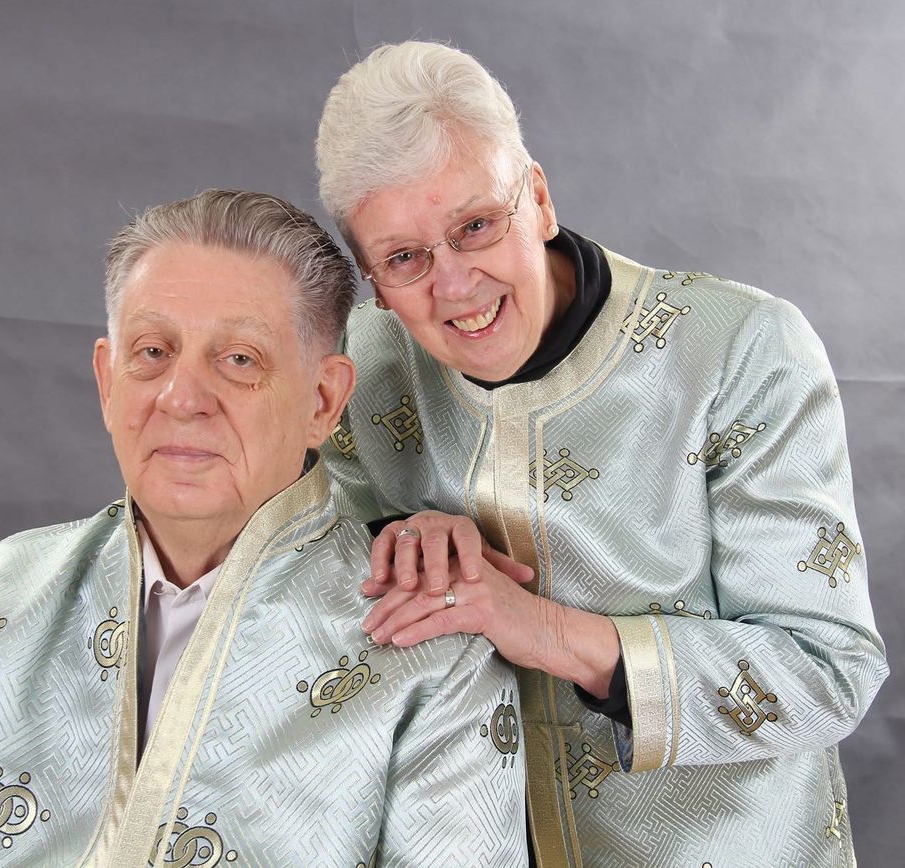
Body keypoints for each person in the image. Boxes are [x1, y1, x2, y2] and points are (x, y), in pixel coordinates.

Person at [316, 41, 888, 867]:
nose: (455, 284)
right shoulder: (355, 365)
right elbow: (307, 604)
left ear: (539, 199)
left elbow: (827, 672)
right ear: (373, 277)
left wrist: (540, 628)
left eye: (476, 226)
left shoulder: (742, 350)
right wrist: (393, 542)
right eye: (404, 258)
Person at [0, 189, 527, 866]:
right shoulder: (9, 587)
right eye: (153, 351)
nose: (182, 398)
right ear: (107, 382)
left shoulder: (433, 648)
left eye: (239, 359)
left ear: (323, 400)